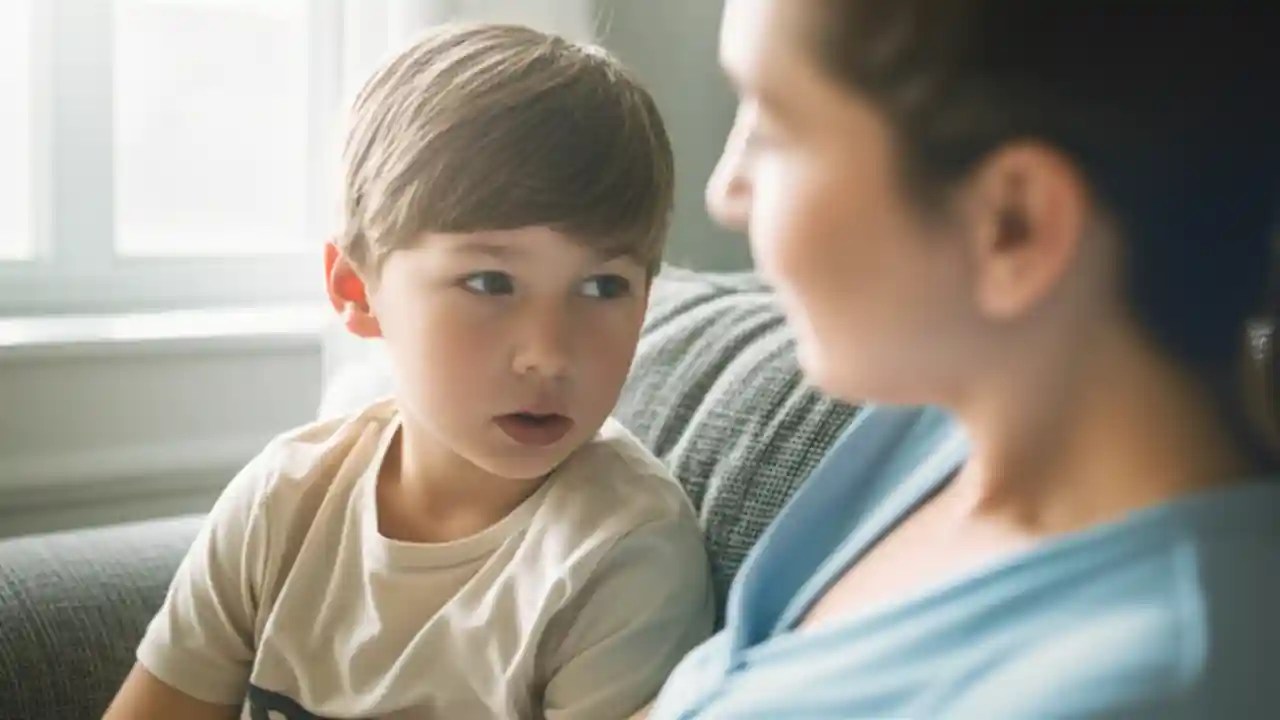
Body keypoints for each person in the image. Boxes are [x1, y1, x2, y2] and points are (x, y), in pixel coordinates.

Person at [648, 0, 1280, 717]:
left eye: (773, 124)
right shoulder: (934, 418)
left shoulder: (1155, 685)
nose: (726, 192)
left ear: (1013, 225)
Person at [105, 23, 712, 720]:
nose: (550, 352)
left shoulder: (624, 553)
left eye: (604, 287)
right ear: (358, 291)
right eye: (490, 282)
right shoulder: (284, 499)